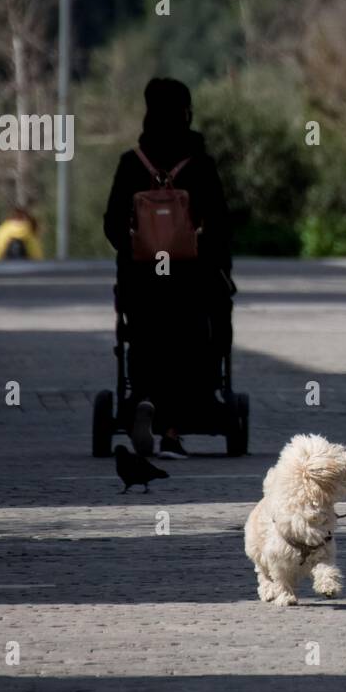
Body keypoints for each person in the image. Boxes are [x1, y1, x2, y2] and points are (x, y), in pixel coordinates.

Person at [104, 78, 230, 459]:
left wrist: (135, 251)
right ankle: (174, 429)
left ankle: (143, 401)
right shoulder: (201, 164)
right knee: (192, 344)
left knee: (142, 341)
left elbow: (112, 223)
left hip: (140, 282)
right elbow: (221, 224)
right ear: (186, 113)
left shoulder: (131, 163)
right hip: (192, 282)